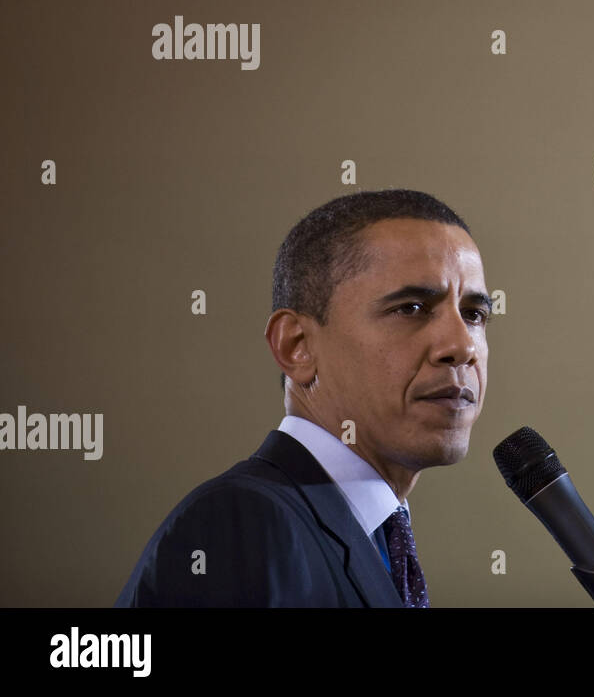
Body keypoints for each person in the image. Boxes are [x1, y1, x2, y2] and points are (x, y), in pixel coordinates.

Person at [114, 189, 491, 607]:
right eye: (413, 308)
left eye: (474, 314)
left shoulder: (377, 535)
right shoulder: (242, 527)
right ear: (296, 346)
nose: (462, 345)